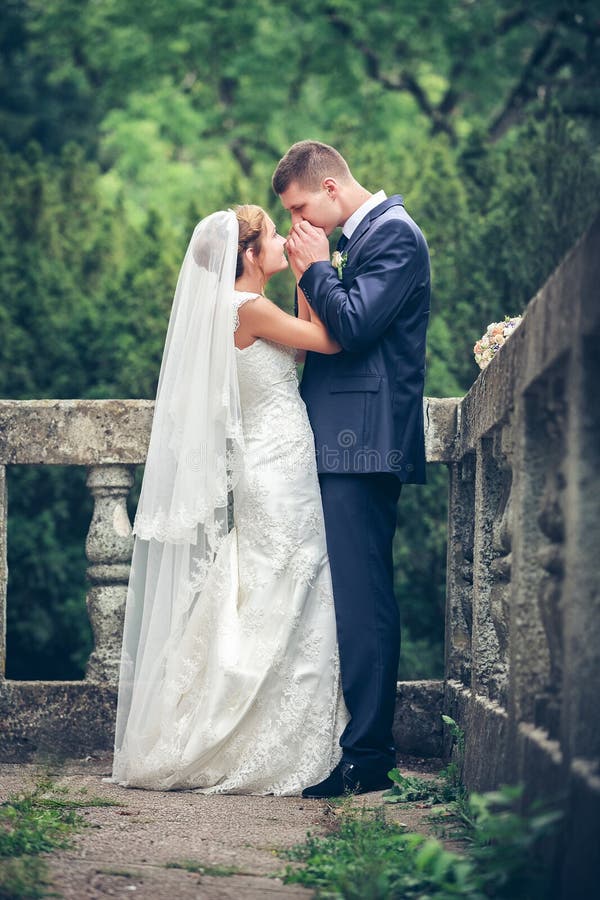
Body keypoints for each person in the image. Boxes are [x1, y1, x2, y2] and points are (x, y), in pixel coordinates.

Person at [111, 204, 348, 795]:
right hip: (278, 463)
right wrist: (313, 271)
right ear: (247, 254)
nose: (278, 239)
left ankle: (257, 717)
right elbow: (327, 343)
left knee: (272, 579)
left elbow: (297, 349)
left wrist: (302, 282)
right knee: (292, 577)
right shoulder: (251, 308)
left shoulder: (235, 310)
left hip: (270, 460)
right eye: (270, 235)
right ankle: (273, 731)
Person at [272, 140, 431, 798]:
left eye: (301, 206)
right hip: (344, 439)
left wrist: (313, 270)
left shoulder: (395, 235)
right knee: (351, 600)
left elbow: (357, 326)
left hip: (363, 445)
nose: (297, 224)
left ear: (332, 189)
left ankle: (369, 758)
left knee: (364, 602)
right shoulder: (360, 235)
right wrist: (315, 273)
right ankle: (359, 748)